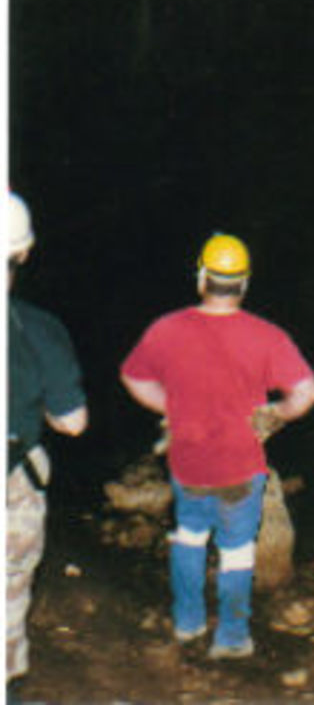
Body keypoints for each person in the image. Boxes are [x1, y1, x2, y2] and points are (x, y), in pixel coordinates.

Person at [120, 233, 314, 660]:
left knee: (189, 537)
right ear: (244, 284)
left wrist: (170, 404)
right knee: (237, 551)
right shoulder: (267, 336)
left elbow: (133, 376)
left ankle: (188, 623)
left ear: (202, 278)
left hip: (189, 463)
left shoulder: (168, 328)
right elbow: (307, 393)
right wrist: (277, 412)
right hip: (241, 466)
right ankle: (231, 637)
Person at [7, 192, 89, 684]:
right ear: (23, 253)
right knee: (8, 592)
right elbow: (72, 421)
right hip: (11, 479)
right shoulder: (37, 329)